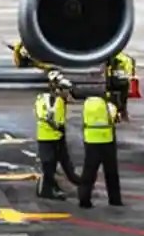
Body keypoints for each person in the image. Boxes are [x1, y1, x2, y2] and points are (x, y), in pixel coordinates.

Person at [34, 71, 80, 199]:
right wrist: (56, 126)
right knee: (49, 164)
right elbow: (44, 116)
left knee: (65, 163)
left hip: (58, 136)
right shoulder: (44, 99)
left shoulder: (60, 100)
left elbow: (73, 96)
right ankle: (46, 190)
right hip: (47, 137)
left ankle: (77, 183)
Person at [78, 92, 123, 209]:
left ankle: (84, 199)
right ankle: (115, 200)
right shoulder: (109, 107)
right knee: (111, 173)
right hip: (107, 142)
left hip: (90, 142)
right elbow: (116, 119)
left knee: (89, 172)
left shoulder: (87, 105)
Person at [104, 52, 135, 120]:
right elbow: (132, 70)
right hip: (124, 81)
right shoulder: (127, 57)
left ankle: (115, 115)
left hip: (114, 81)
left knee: (112, 99)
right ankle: (124, 114)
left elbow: (107, 68)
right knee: (123, 99)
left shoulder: (113, 57)